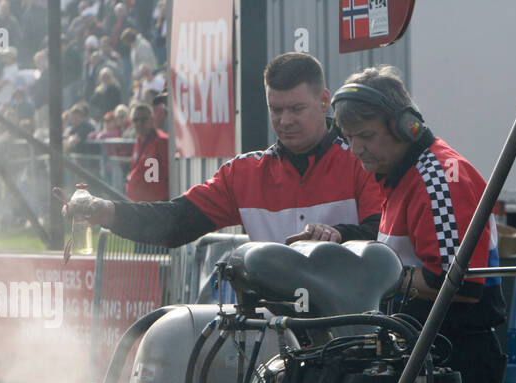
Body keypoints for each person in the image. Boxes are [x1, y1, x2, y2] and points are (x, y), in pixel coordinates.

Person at [58, 52, 382, 247]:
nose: (284, 121)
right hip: (274, 334)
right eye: (276, 109)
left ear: (324, 101)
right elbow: (175, 222)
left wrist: (338, 235)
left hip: (353, 331)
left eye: (296, 109)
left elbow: (383, 237)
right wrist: (104, 211)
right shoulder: (243, 174)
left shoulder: (362, 160)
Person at [331, 65, 507, 383]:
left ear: (405, 126)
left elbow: (458, 284)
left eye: (365, 136)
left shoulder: (440, 179)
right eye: (349, 138)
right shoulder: (400, 176)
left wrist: (376, 277)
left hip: (454, 359)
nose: (356, 149)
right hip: (426, 351)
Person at [125, 100, 168, 202]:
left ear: (152, 120)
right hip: (139, 203)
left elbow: (170, 175)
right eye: (136, 120)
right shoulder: (139, 141)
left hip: (157, 205)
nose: (139, 123)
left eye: (144, 119)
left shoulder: (162, 141)